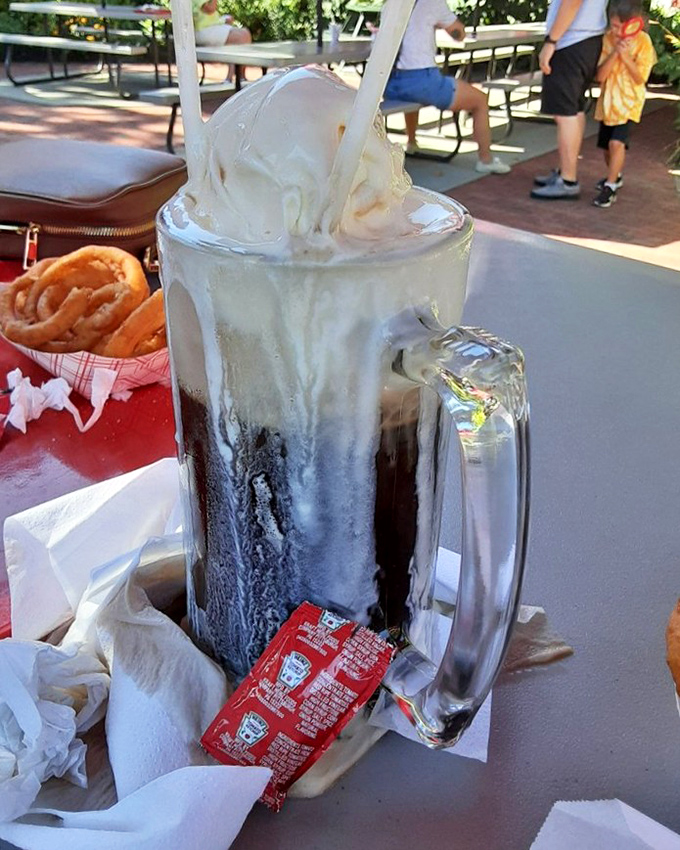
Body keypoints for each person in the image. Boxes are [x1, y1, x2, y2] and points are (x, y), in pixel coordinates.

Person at [383, 0, 511, 174]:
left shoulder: (391, 3)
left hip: (391, 81)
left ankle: (411, 143)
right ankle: (486, 160)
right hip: (422, 79)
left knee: (413, 96)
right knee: (480, 100)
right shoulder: (432, 2)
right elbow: (459, 34)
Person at [530, 0, 608, 200]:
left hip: (571, 41)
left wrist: (551, 42)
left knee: (565, 113)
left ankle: (568, 180)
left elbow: (572, 2)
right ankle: (566, 171)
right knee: (574, 108)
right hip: (587, 40)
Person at [590, 0, 656, 208]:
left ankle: (610, 186)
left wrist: (626, 56)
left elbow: (640, 78)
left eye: (620, 26)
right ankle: (615, 176)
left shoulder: (643, 42)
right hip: (608, 102)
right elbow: (600, 76)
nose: (616, 30)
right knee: (607, 148)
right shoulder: (607, 39)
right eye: (613, 25)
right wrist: (615, 53)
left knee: (616, 143)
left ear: (632, 24)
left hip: (629, 102)